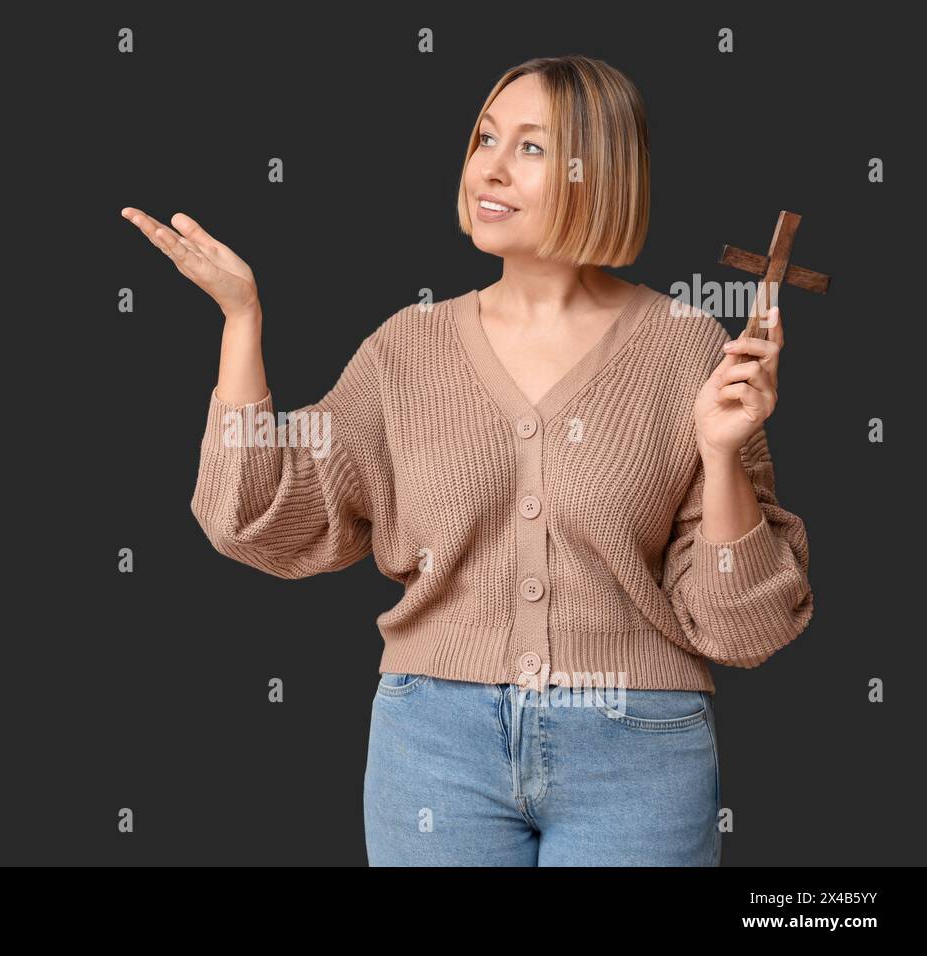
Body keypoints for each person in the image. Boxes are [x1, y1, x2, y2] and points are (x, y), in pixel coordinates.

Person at [120, 54, 813, 866]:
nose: (489, 165)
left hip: (639, 746)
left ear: (602, 172)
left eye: (530, 147)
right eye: (485, 137)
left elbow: (746, 627)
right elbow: (254, 515)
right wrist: (242, 323)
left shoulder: (688, 347)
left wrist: (723, 455)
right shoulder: (406, 349)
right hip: (434, 746)